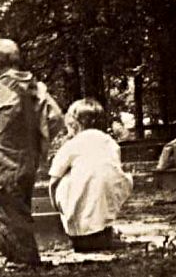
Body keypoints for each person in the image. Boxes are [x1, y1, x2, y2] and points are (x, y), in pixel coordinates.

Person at [0, 38, 64, 266]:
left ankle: (24, 259)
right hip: (28, 159)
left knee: (5, 211)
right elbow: (56, 117)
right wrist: (38, 138)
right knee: (20, 206)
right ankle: (19, 257)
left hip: (6, 159)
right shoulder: (36, 87)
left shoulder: (1, 88)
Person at [49, 99, 133, 252]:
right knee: (111, 176)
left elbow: (53, 180)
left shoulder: (72, 145)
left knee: (66, 179)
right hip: (105, 200)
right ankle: (103, 229)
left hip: (80, 209)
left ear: (74, 123)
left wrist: (55, 205)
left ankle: (79, 232)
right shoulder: (110, 142)